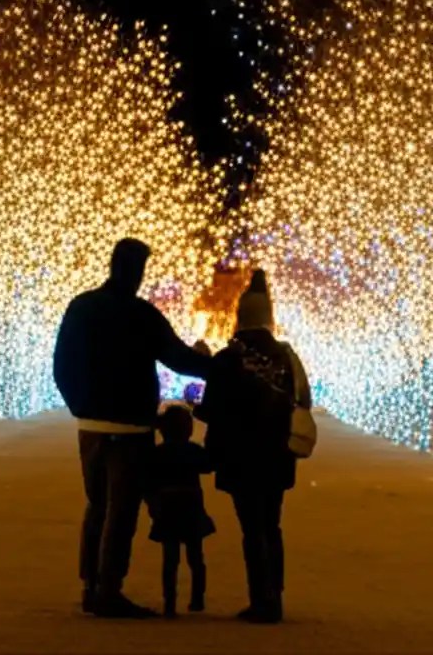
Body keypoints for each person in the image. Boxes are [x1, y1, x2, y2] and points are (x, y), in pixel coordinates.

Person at [53, 238, 212, 619]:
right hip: (131, 429)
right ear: (137, 271)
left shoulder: (82, 307)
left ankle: (91, 585)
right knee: (121, 511)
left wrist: (80, 405)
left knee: (97, 505)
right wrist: (212, 364)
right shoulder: (141, 315)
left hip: (90, 427)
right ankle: (109, 589)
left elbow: (62, 364)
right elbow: (176, 356)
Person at [195, 269, 310, 624]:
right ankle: (274, 594)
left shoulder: (229, 358)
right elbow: (303, 399)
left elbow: (213, 409)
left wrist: (198, 411)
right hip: (277, 455)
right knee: (271, 525)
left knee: (252, 527)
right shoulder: (287, 357)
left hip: (241, 457)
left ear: (239, 316)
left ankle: (261, 600)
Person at [145, 403, 215, 618]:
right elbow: (209, 464)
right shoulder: (192, 451)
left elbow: (147, 481)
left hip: (167, 506)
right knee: (195, 556)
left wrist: (152, 505)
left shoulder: (157, 454)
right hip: (191, 505)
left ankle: (170, 602)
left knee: (170, 558)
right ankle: (197, 598)